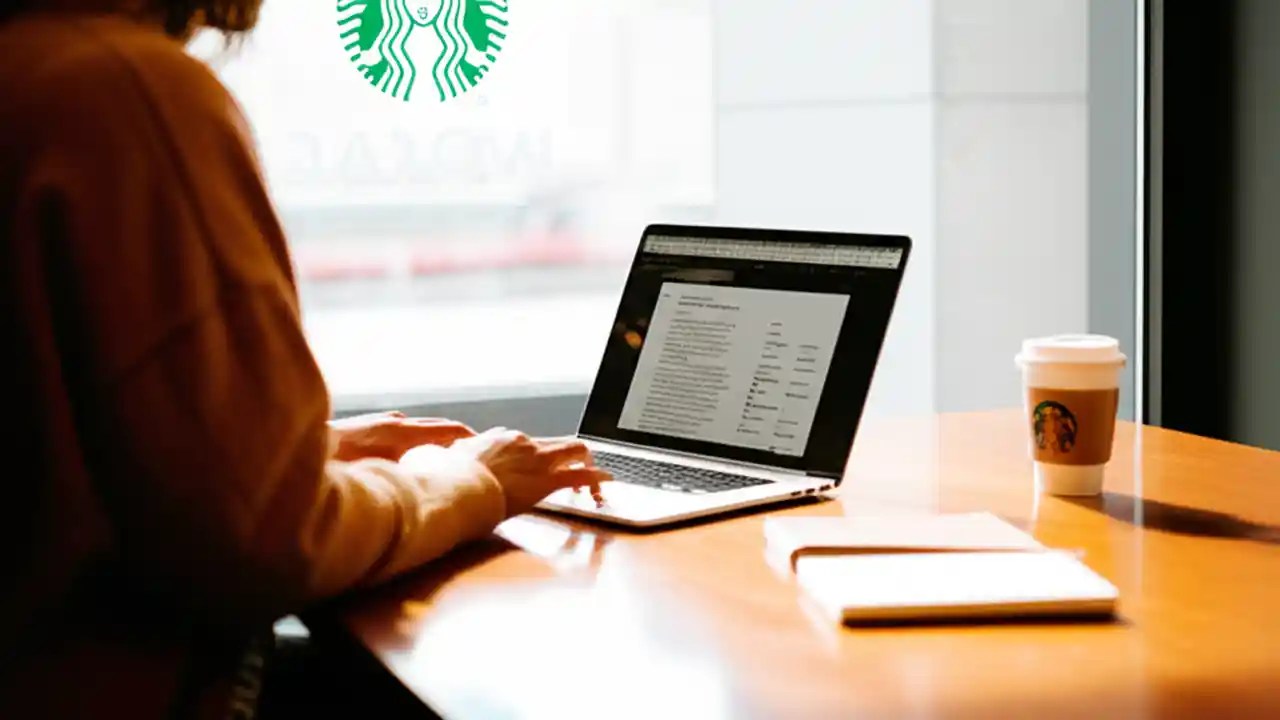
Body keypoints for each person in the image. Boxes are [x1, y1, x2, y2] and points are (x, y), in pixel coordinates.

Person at [0, 0, 610, 717]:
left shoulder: (29, 68)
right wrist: (469, 482)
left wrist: (312, 452)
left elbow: (67, 458)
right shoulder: (124, 91)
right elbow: (272, 542)